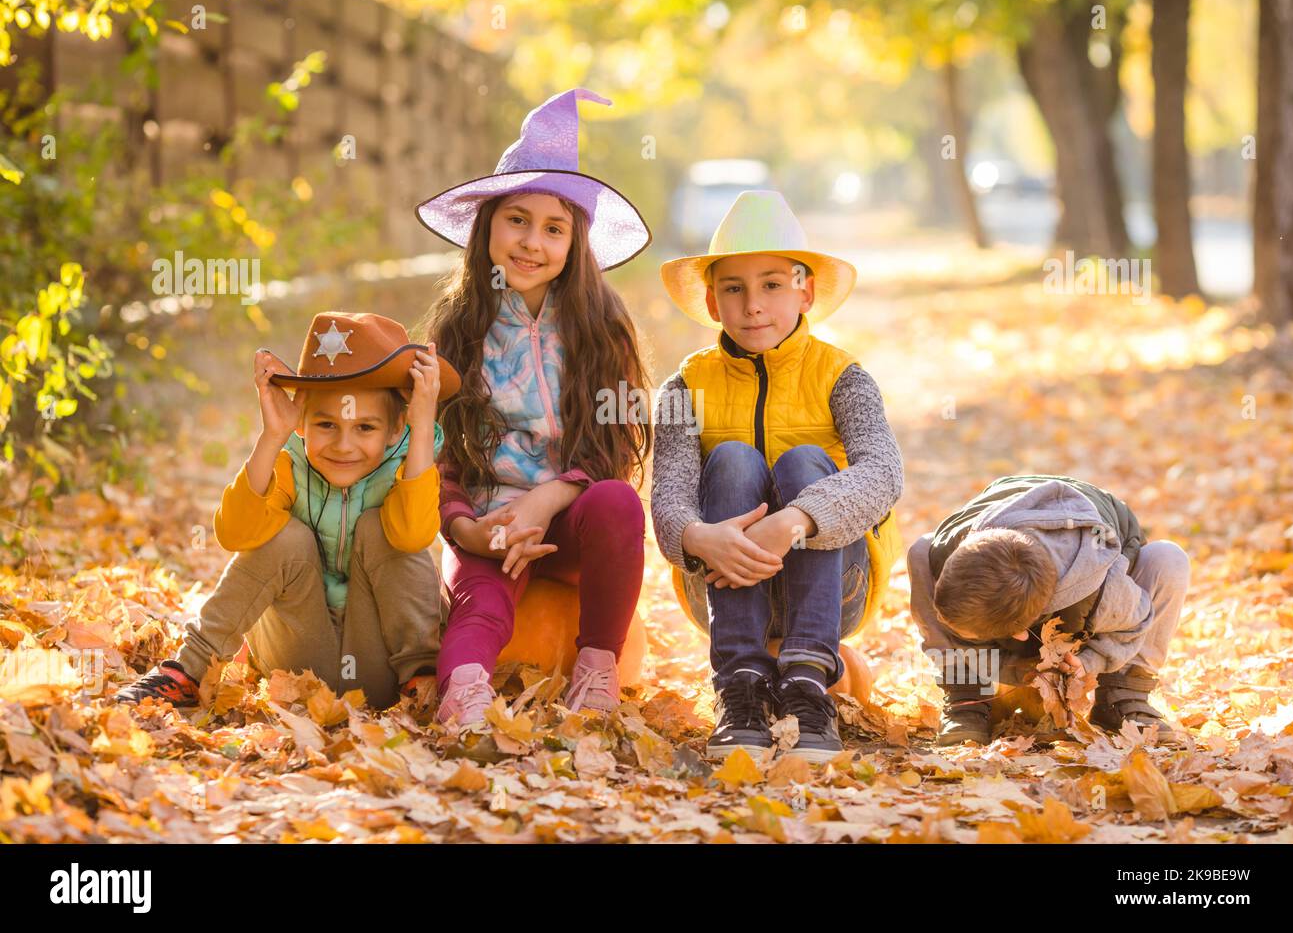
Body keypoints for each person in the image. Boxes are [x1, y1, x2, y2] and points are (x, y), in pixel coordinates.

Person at [413, 88, 653, 725]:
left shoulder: (603, 327)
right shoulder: (456, 330)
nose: (531, 242)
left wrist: (547, 499)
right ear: (487, 222)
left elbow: (613, 450)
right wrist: (468, 530)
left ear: (576, 244)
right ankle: (464, 698)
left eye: (554, 229)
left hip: (573, 522)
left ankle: (598, 668)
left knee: (619, 504)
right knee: (481, 609)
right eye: (516, 219)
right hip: (489, 525)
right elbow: (431, 452)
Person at [651, 190, 904, 762]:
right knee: (733, 459)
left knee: (802, 463)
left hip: (836, 587)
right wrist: (697, 536)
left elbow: (884, 472)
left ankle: (809, 680)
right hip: (721, 581)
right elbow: (667, 496)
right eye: (733, 288)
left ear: (805, 290)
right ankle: (739, 682)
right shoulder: (685, 388)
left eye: (772, 284)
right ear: (713, 303)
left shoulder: (843, 376)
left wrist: (795, 519)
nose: (753, 305)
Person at [117, 312, 459, 710]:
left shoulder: (407, 469)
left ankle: (422, 680)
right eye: (326, 425)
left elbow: (414, 536)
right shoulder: (288, 467)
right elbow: (235, 534)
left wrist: (421, 431)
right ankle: (186, 671)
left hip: (383, 666)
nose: (343, 445)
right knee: (286, 536)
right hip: (298, 663)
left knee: (382, 528)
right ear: (301, 422)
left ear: (395, 430)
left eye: (365, 428)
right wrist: (272, 437)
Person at [907, 474, 1190, 746]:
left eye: (967, 635)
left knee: (1169, 558)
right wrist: (1015, 670)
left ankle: (1123, 695)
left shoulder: (1105, 593)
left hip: (1092, 569)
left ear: (1018, 633)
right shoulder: (951, 552)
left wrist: (1089, 663)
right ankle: (965, 697)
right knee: (921, 550)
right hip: (1011, 534)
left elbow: (1135, 625)